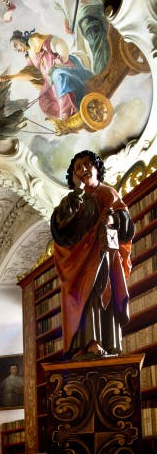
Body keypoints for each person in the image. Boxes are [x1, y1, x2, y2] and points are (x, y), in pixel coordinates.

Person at [50, 150, 134, 359]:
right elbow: (60, 227)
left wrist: (112, 220)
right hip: (78, 260)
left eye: (87, 164)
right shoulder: (71, 200)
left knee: (99, 293)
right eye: (78, 168)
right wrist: (77, 194)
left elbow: (124, 222)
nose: (84, 169)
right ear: (74, 177)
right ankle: (82, 345)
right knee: (81, 298)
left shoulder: (107, 193)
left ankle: (103, 342)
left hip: (102, 254)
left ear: (97, 168)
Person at [30, 0, 116, 75]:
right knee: (80, 48)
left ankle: (103, 69)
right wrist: (67, 21)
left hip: (91, 5)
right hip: (78, 20)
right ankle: (95, 71)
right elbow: (65, 10)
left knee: (90, 29)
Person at [5, 29, 93, 120]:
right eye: (14, 49)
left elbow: (57, 43)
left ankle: (67, 111)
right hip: (50, 80)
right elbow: (28, 73)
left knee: (58, 76)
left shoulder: (35, 41)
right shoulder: (31, 55)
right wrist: (11, 77)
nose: (17, 50)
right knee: (43, 101)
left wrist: (62, 59)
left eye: (16, 45)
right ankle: (67, 113)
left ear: (21, 39)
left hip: (62, 69)